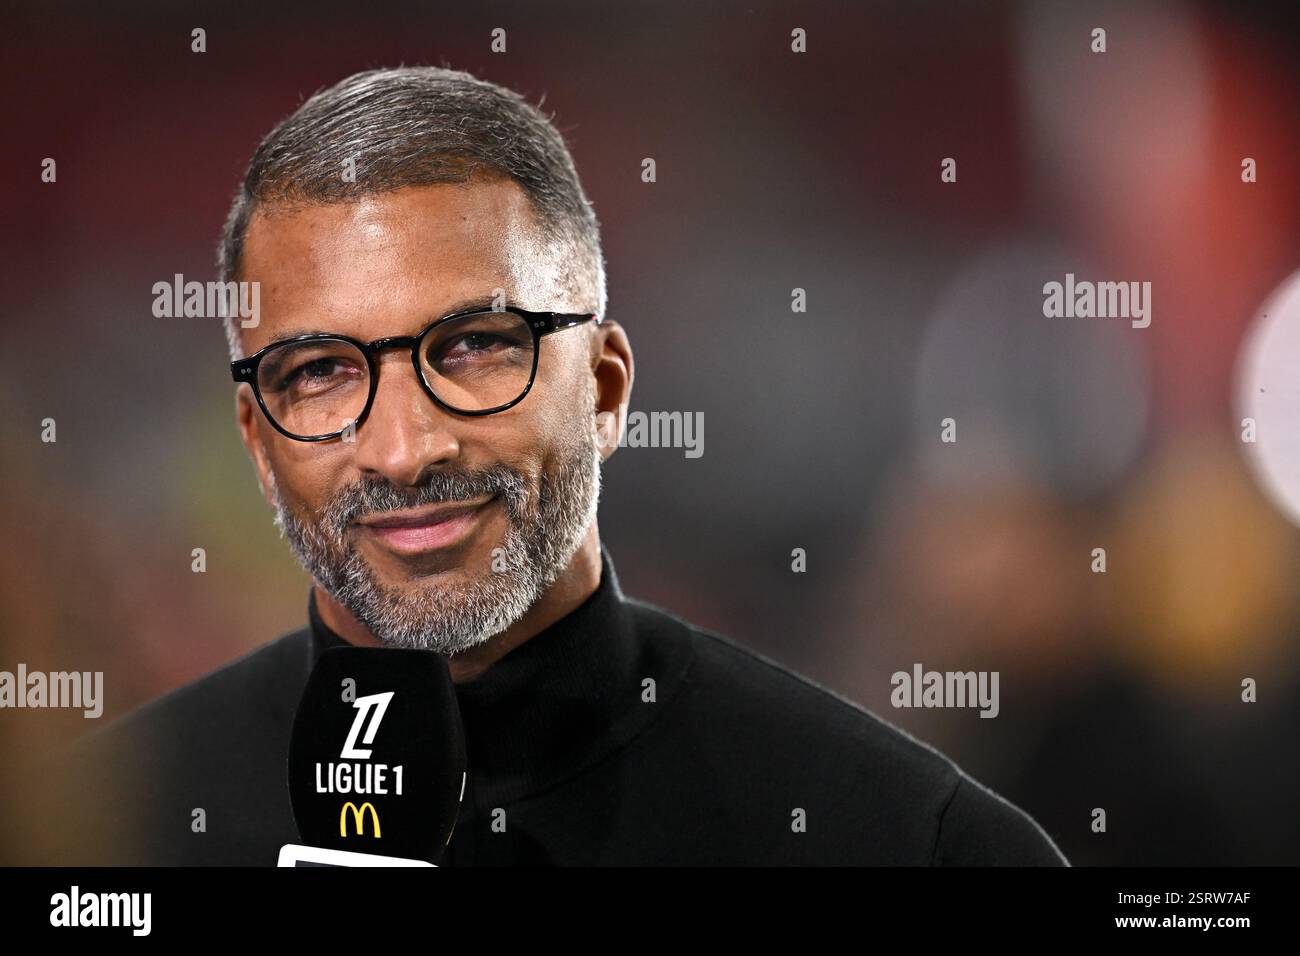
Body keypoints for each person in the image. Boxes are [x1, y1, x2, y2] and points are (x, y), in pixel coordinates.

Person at [36, 66, 1066, 866]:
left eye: (476, 345)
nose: (403, 449)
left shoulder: (908, 843)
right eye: (318, 372)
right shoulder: (82, 838)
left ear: (608, 388)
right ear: (258, 442)